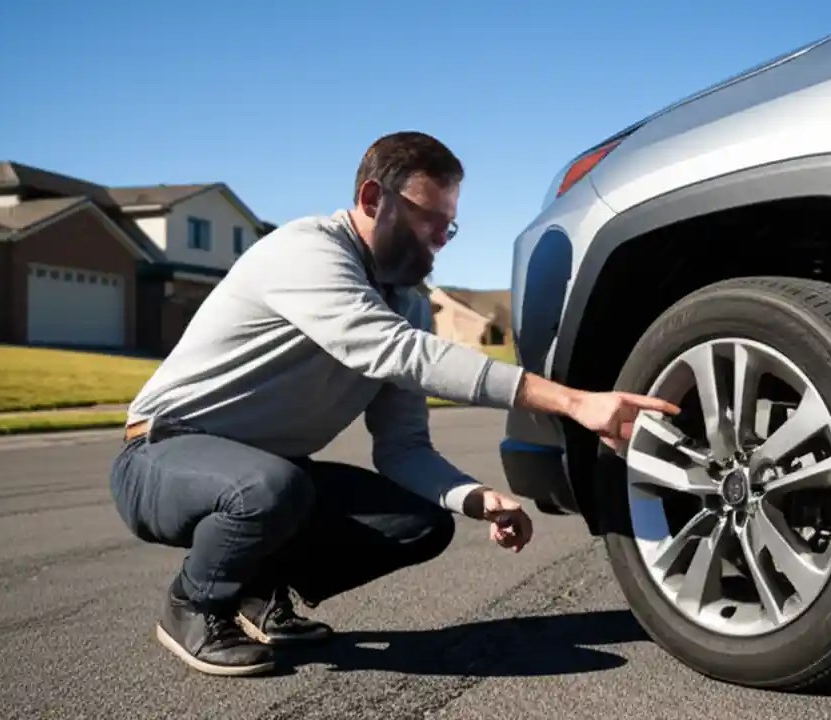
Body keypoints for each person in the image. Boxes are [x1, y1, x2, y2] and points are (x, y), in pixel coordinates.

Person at [109, 130, 679, 677]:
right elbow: (398, 353)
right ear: (372, 198)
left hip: (268, 475)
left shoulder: (408, 304)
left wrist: (475, 499)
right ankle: (194, 602)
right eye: (428, 220)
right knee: (270, 490)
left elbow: (403, 448)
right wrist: (572, 402)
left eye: (448, 228)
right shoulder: (306, 252)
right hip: (161, 456)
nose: (438, 240)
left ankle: (254, 592)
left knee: (420, 523)